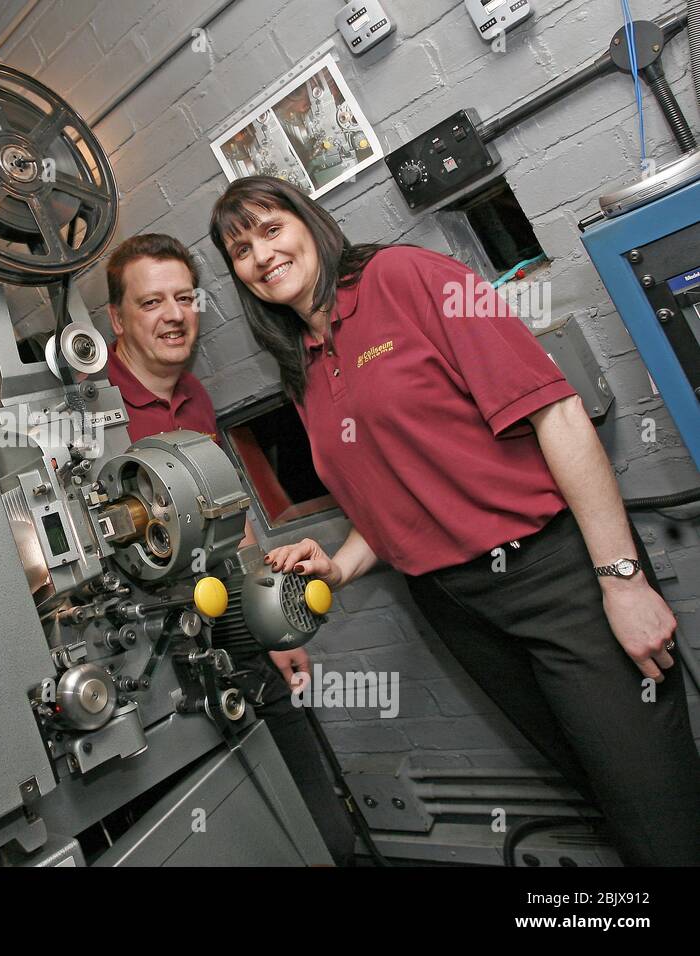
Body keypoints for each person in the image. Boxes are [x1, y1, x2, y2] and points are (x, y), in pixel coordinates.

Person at [209, 174, 700, 866]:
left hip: (559, 580)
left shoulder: (405, 276)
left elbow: (555, 411)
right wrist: (340, 564)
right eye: (239, 250)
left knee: (659, 812)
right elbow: (390, 499)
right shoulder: (305, 366)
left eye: (270, 229)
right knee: (607, 795)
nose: (260, 255)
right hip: (458, 608)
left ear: (309, 223)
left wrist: (621, 580)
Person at [0, 233, 358, 866]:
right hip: (135, 666)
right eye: (152, 301)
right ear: (117, 320)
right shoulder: (70, 398)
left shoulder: (193, 396)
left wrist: (270, 629)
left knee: (318, 823)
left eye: (185, 298)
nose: (174, 314)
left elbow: (225, 515)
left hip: (221, 625)